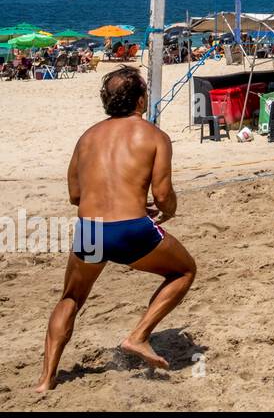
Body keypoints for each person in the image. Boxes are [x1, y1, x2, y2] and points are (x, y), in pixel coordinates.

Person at [36, 68, 197, 392]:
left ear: (106, 101)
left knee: (70, 297)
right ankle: (138, 336)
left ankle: (46, 379)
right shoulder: (154, 135)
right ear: (141, 99)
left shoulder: (87, 137)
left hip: (91, 231)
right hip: (131, 230)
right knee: (184, 271)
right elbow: (163, 194)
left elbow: (75, 195)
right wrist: (165, 211)